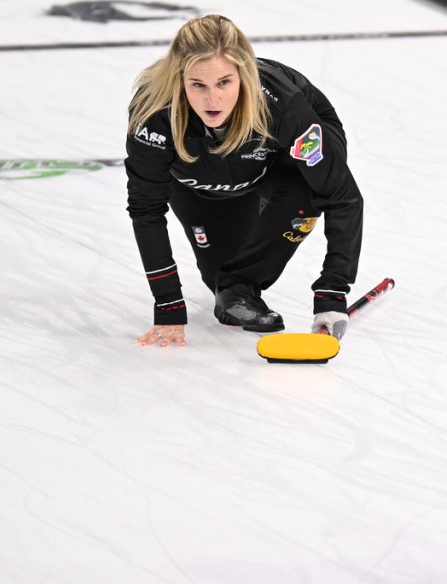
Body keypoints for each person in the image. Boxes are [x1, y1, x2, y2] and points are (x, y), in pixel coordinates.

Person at [126, 14, 362, 347]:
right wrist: (168, 308)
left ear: (244, 75)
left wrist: (332, 293)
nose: (213, 101)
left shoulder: (283, 108)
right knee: (226, 291)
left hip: (277, 159)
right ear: (179, 80)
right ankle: (238, 279)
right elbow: (146, 208)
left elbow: (341, 196)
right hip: (204, 183)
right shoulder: (153, 111)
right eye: (198, 85)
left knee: (310, 186)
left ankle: (270, 205)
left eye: (225, 82)